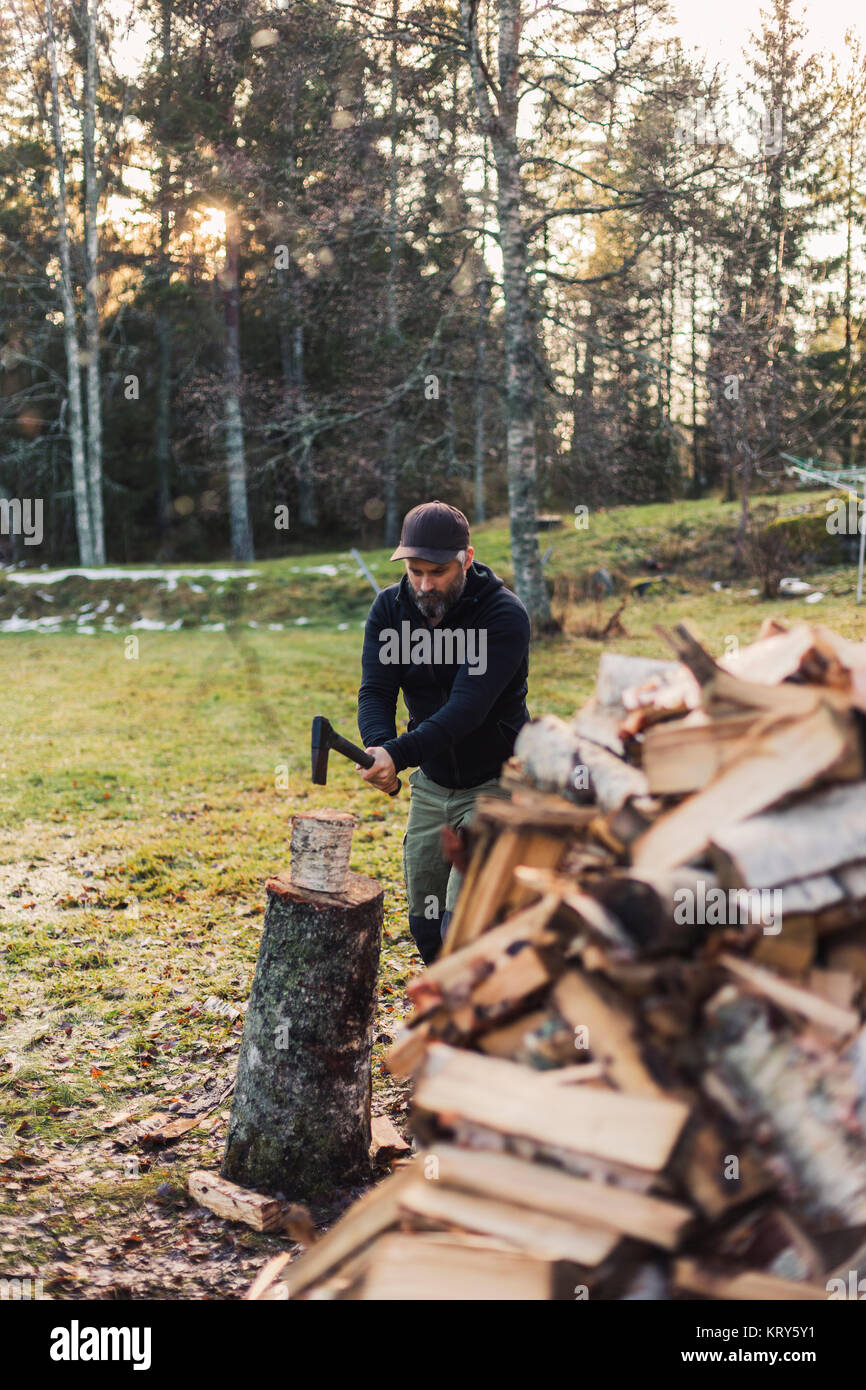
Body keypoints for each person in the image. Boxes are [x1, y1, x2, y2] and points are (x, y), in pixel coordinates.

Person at [357, 500, 531, 964]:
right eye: (415, 571)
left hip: (497, 783)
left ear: (466, 559)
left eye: (437, 571)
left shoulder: (502, 615)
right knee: (427, 925)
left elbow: (465, 711)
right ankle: (456, 1015)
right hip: (432, 785)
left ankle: (490, 1013)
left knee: (465, 920)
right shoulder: (390, 609)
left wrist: (399, 752)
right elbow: (376, 690)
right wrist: (379, 749)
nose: (424, 583)